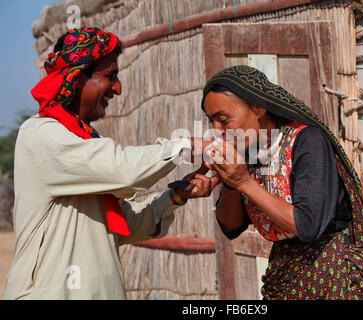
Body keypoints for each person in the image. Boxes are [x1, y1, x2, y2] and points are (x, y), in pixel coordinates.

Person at [4, 27, 218, 299]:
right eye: (110, 76)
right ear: (77, 77)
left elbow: (123, 224)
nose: (117, 88)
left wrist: (175, 196)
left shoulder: (83, 142)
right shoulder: (40, 135)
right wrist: (186, 145)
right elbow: (123, 170)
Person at [201, 65, 363, 300]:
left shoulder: (308, 141)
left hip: (332, 275)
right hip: (285, 276)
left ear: (258, 107)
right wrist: (229, 181)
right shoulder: (248, 151)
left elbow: (307, 224)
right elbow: (231, 227)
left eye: (223, 120)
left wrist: (244, 181)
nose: (217, 131)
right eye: (211, 121)